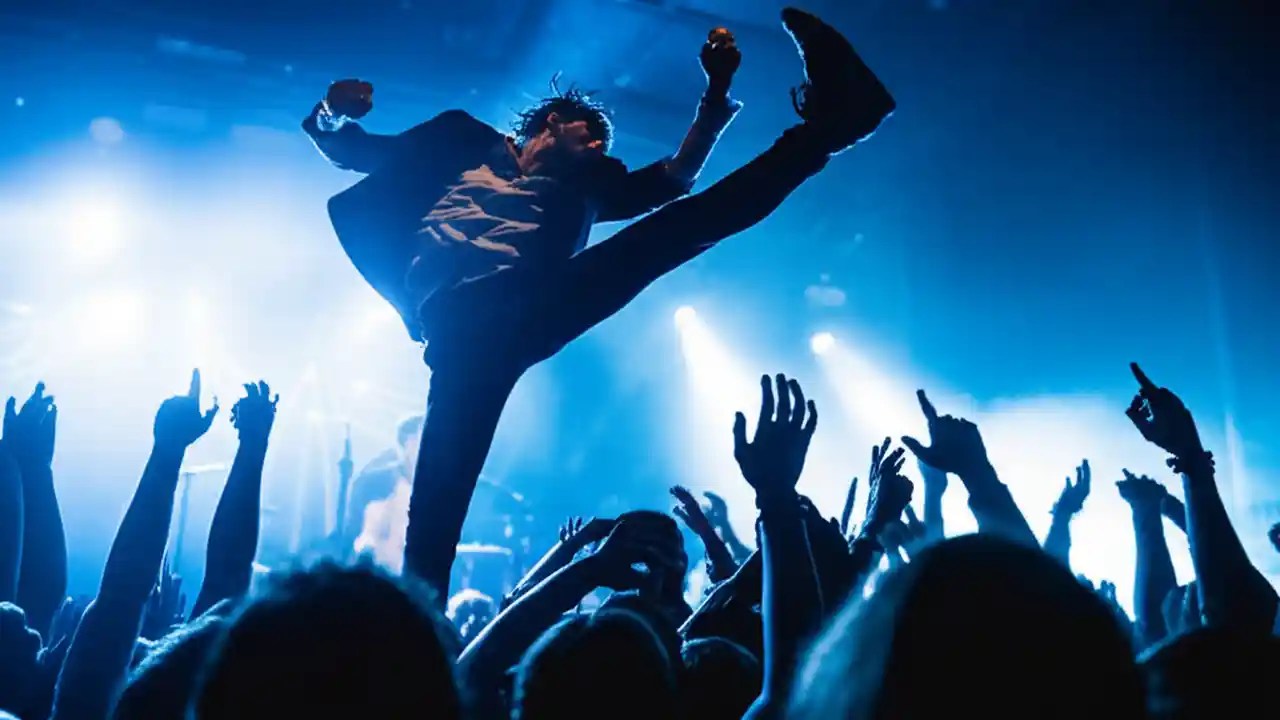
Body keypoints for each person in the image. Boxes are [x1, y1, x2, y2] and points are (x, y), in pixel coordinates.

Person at [394, 7, 897, 603]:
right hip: (457, 336)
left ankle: (831, 127)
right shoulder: (463, 152)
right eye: (589, 136)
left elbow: (674, 178)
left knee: (680, 227)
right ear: (553, 123)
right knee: (434, 514)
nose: (598, 149)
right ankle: (411, 634)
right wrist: (330, 116)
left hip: (525, 304)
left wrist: (715, 92)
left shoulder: (579, 191)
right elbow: (358, 149)